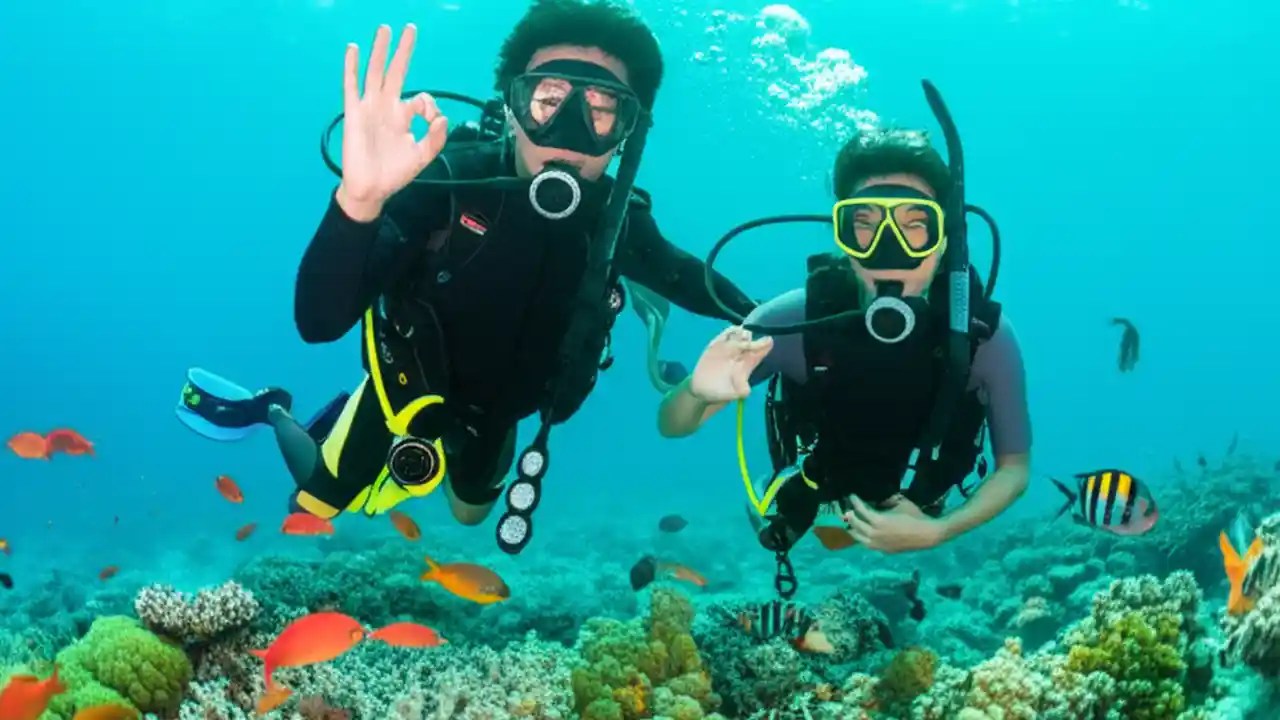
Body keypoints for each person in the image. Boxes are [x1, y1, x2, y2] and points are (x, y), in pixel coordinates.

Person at [177, 0, 755, 555]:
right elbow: (319, 321)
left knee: (469, 514)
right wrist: (358, 201)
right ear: (511, 107)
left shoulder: (616, 224)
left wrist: (771, 325)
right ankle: (274, 410)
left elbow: (687, 277)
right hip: (405, 393)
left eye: (602, 110)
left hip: (502, 410)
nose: (569, 133)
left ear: (628, 131)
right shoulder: (450, 182)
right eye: (548, 100)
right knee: (316, 506)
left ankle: (461, 451)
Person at [657, 85, 1031, 589]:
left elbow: (1014, 468)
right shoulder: (795, 320)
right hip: (818, 501)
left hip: (923, 509)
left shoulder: (981, 334)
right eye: (865, 224)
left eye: (915, 226)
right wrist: (695, 393)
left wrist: (939, 532)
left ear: (945, 240)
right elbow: (673, 426)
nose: (889, 249)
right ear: (841, 234)